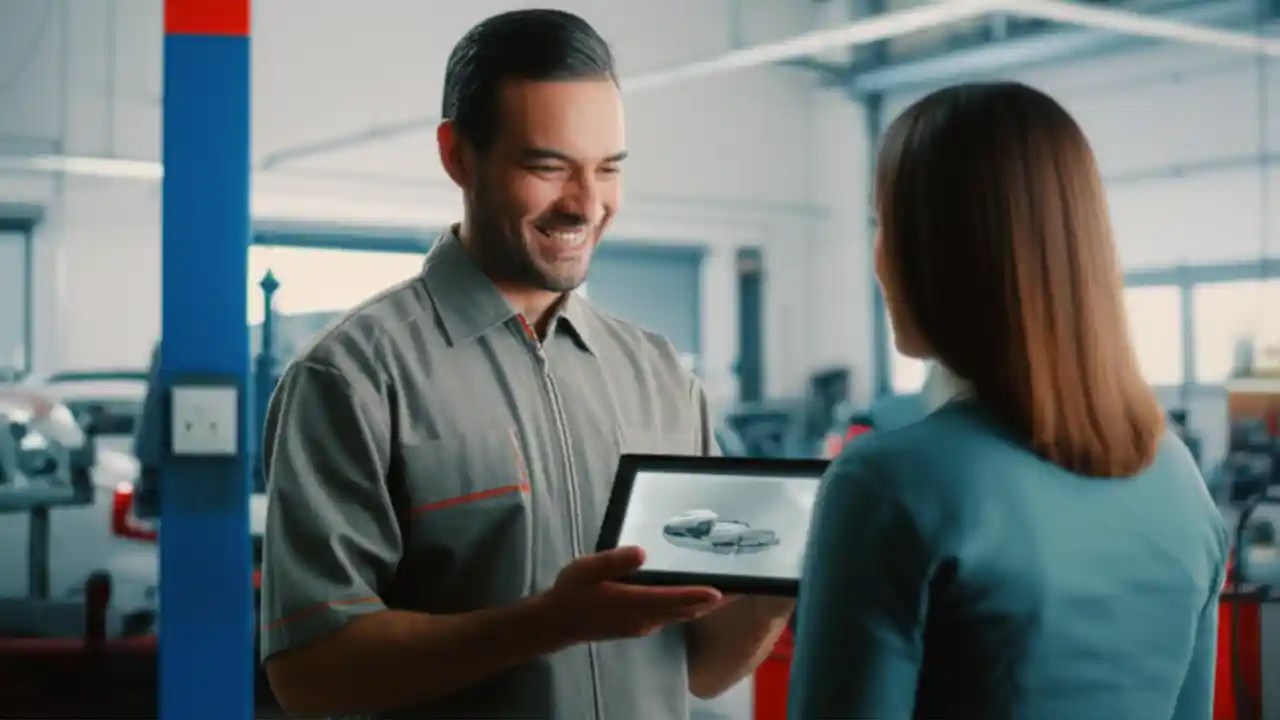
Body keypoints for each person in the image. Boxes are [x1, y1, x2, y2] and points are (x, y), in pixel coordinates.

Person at [256, 9, 794, 720]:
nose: (586, 203)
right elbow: (312, 673)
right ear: (458, 157)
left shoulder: (660, 375)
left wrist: (773, 590)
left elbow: (702, 665)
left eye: (607, 170)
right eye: (547, 167)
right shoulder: (353, 378)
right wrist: (547, 623)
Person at [788, 82, 1230, 719]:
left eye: (885, 222)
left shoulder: (888, 483)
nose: (878, 256)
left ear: (944, 249)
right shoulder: (1177, 477)